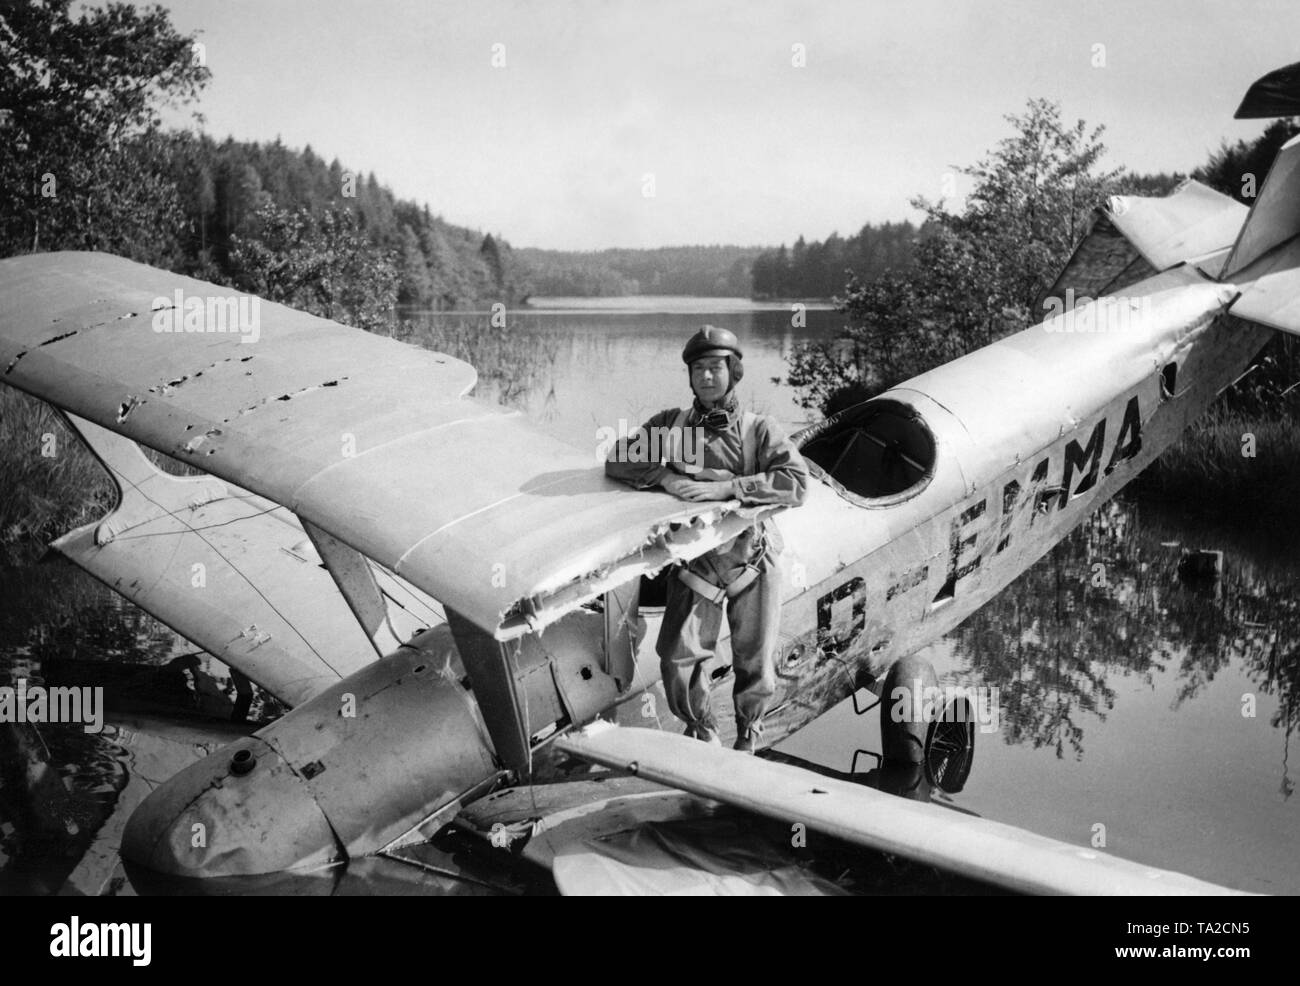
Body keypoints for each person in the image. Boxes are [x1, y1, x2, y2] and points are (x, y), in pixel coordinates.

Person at [605, 326, 809, 751]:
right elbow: (618, 460)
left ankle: (749, 735)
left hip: (752, 558)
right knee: (676, 659)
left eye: (716, 368)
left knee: (755, 660)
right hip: (696, 563)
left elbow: (795, 483)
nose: (707, 377)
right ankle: (703, 730)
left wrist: (730, 489)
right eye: (699, 369)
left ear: (733, 372)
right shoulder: (672, 426)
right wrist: (664, 476)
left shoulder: (759, 430)